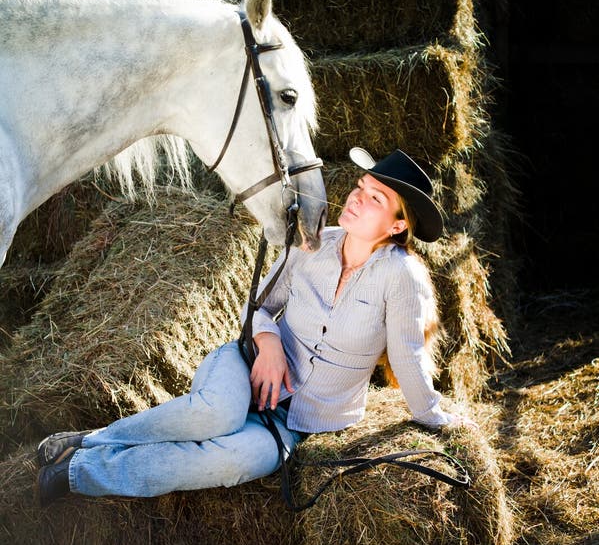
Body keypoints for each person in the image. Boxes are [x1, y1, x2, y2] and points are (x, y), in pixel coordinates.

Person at [36, 146, 471, 508]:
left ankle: (79, 471)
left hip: (296, 422)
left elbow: (407, 355)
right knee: (214, 413)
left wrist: (436, 419)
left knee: (233, 462)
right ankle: (91, 439)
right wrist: (269, 346)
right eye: (361, 187)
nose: (357, 198)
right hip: (244, 366)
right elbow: (258, 308)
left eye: (376, 198)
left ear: (397, 225)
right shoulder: (313, 241)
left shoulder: (402, 277)